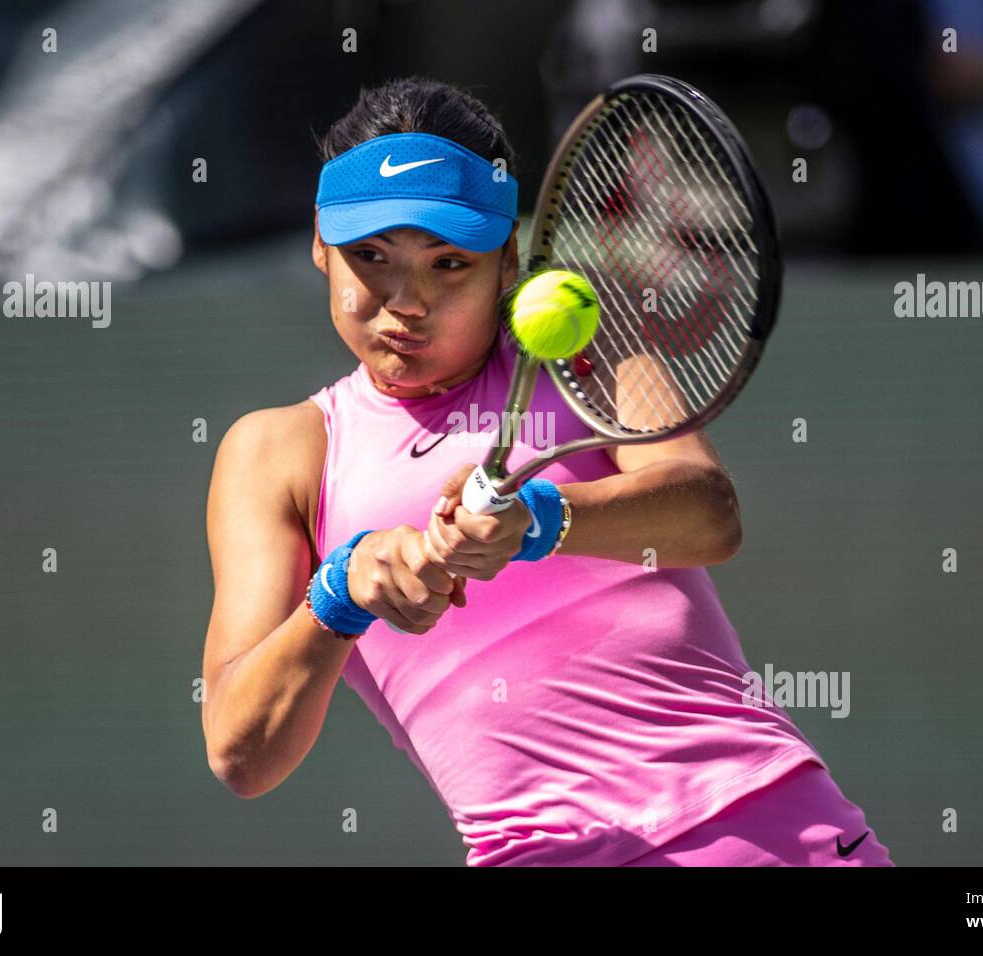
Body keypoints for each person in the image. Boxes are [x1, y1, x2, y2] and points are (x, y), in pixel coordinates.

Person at [200, 76, 894, 867]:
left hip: (758, 828)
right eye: (371, 257)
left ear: (508, 265)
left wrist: (541, 518)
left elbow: (709, 513)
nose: (407, 300)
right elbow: (241, 754)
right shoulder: (277, 452)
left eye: (449, 262)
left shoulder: (587, 352)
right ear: (320, 247)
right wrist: (340, 591)